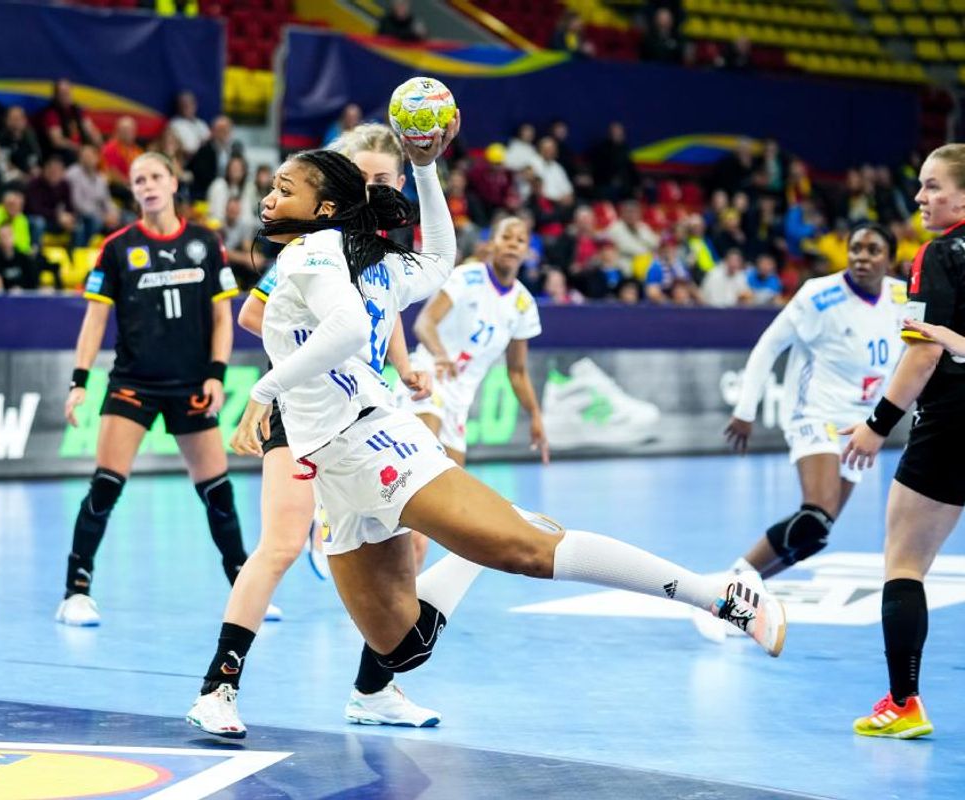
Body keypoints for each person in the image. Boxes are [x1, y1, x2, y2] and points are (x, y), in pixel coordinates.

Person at [214, 138, 787, 738]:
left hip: (371, 441)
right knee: (400, 643)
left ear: (326, 207)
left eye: (285, 187)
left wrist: (261, 394)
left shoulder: (316, 251)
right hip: (335, 463)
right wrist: (429, 170)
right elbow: (437, 260)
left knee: (525, 552)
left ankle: (714, 593)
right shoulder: (355, 257)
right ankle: (477, 544)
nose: (269, 196)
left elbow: (355, 322)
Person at [186, 123, 439, 740]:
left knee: (413, 548)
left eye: (385, 178)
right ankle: (218, 688)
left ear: (398, 183)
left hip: (365, 420)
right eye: (365, 176)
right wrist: (299, 362)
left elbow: (384, 314)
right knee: (280, 543)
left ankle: (374, 688)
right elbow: (255, 310)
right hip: (303, 413)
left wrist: (401, 365)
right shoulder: (317, 248)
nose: (375, 186)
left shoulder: (382, 257)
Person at [57, 152, 247, 627]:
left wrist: (215, 375)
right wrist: (80, 383)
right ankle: (75, 592)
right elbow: (94, 321)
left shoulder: (206, 242)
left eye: (155, 176)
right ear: (133, 189)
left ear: (173, 181)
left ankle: (245, 585)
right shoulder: (118, 248)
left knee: (218, 493)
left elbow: (224, 317)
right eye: (138, 179)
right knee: (105, 485)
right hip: (134, 384)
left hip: (191, 384)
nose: (147, 185)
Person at [694, 223, 908, 643]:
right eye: (855, 248)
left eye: (873, 249)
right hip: (815, 413)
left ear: (890, 258)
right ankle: (723, 594)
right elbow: (768, 346)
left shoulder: (904, 297)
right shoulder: (818, 295)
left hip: (860, 425)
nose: (862, 256)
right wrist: (745, 410)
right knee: (815, 513)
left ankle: (739, 596)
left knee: (816, 533)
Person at [841, 144, 965, 739]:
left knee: (904, 563)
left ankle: (903, 702)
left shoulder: (938, 255)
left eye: (934, 187)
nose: (920, 198)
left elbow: (923, 351)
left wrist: (876, 424)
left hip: (952, 421)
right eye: (920, 186)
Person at [405, 215, 549, 474]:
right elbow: (424, 323)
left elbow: (516, 371)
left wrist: (535, 415)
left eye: (520, 240)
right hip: (428, 377)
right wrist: (440, 355)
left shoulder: (524, 304)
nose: (513, 245)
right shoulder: (465, 277)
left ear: (527, 251)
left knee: (451, 486)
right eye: (506, 237)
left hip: (460, 400)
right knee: (423, 465)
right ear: (492, 242)